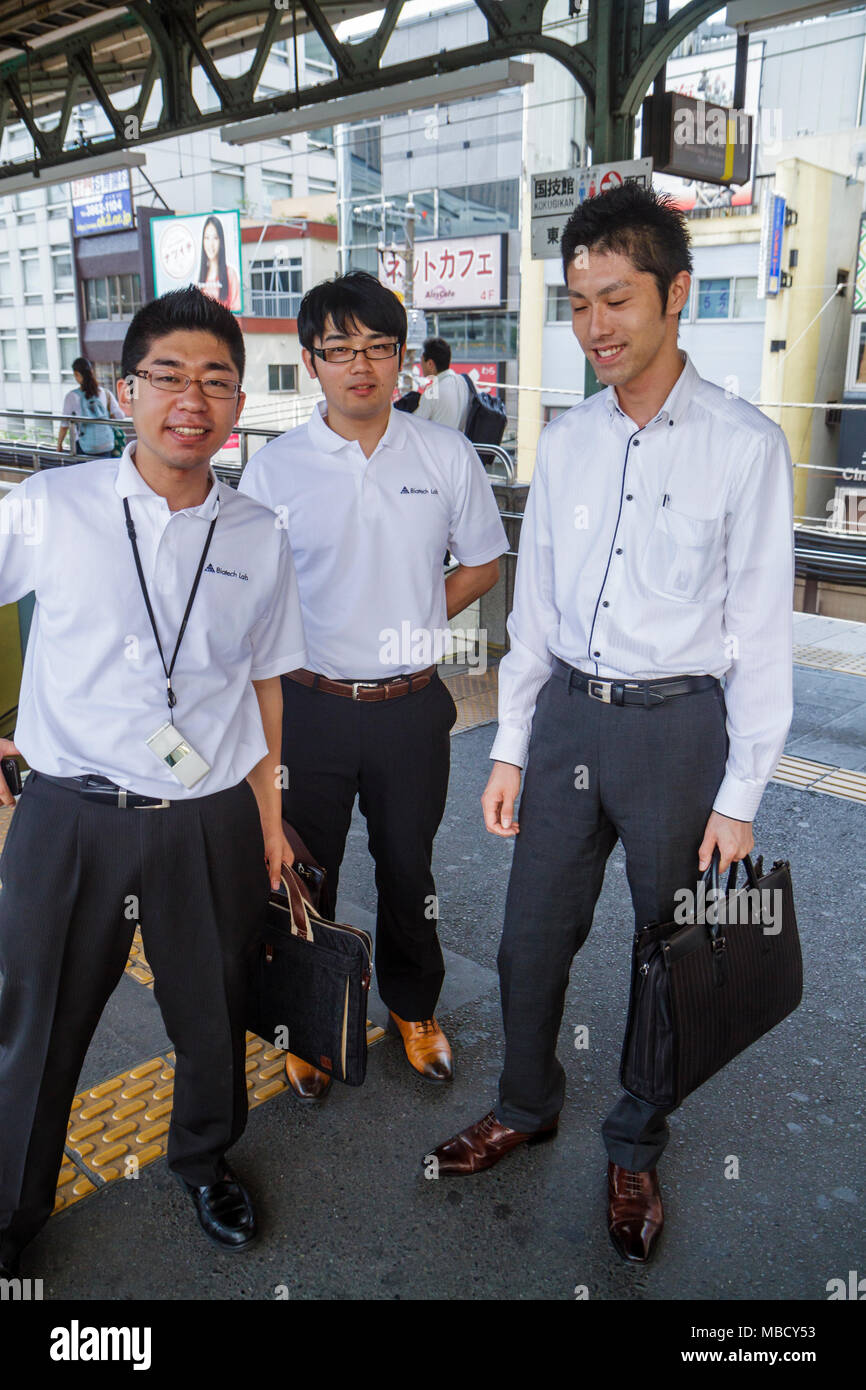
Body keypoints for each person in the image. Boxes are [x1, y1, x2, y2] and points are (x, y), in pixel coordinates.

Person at [427, 183, 794, 1264]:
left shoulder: (743, 445)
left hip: (681, 731)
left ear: (675, 294)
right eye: (579, 301)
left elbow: (760, 634)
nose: (595, 325)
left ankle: (635, 1140)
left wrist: (739, 795)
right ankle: (525, 1101)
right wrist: (507, 744)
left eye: (617, 298)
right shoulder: (570, 442)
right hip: (567, 728)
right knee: (529, 933)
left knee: (662, 950)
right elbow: (533, 614)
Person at [0, 286, 307, 1276]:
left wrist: (267, 812)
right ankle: (12, 1206)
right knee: (34, 1019)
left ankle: (203, 1158)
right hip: (67, 814)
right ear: (128, 390)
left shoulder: (258, 531)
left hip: (208, 817)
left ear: (237, 403)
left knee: (212, 1009)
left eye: (218, 379)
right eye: (169, 374)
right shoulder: (54, 505)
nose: (193, 397)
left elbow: (262, 685)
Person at [239, 270, 508, 1100]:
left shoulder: (444, 453)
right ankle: (310, 1021)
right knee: (299, 869)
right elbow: (246, 589)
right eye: (340, 349)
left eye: (379, 348)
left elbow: (484, 561)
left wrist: (423, 618)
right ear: (311, 362)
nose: (362, 365)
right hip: (308, 706)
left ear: (403, 360)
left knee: (408, 867)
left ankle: (415, 1010)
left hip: (409, 705)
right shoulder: (274, 467)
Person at [56, 357, 126, 460]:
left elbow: (64, 425)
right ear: (91, 372)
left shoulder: (71, 396)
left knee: (85, 475)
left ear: (76, 374)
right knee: (104, 474)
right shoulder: (105, 393)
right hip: (105, 445)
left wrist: (59, 445)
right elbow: (120, 416)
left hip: (83, 446)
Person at [413, 337, 471, 431]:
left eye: (422, 361)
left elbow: (414, 426)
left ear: (430, 364)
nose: (421, 365)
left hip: (437, 444)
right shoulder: (464, 382)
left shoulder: (432, 393)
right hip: (461, 443)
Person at [198, 215, 241, 312]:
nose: (211, 244)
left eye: (215, 238)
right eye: (207, 238)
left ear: (221, 241)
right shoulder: (199, 279)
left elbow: (236, 308)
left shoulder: (230, 274)